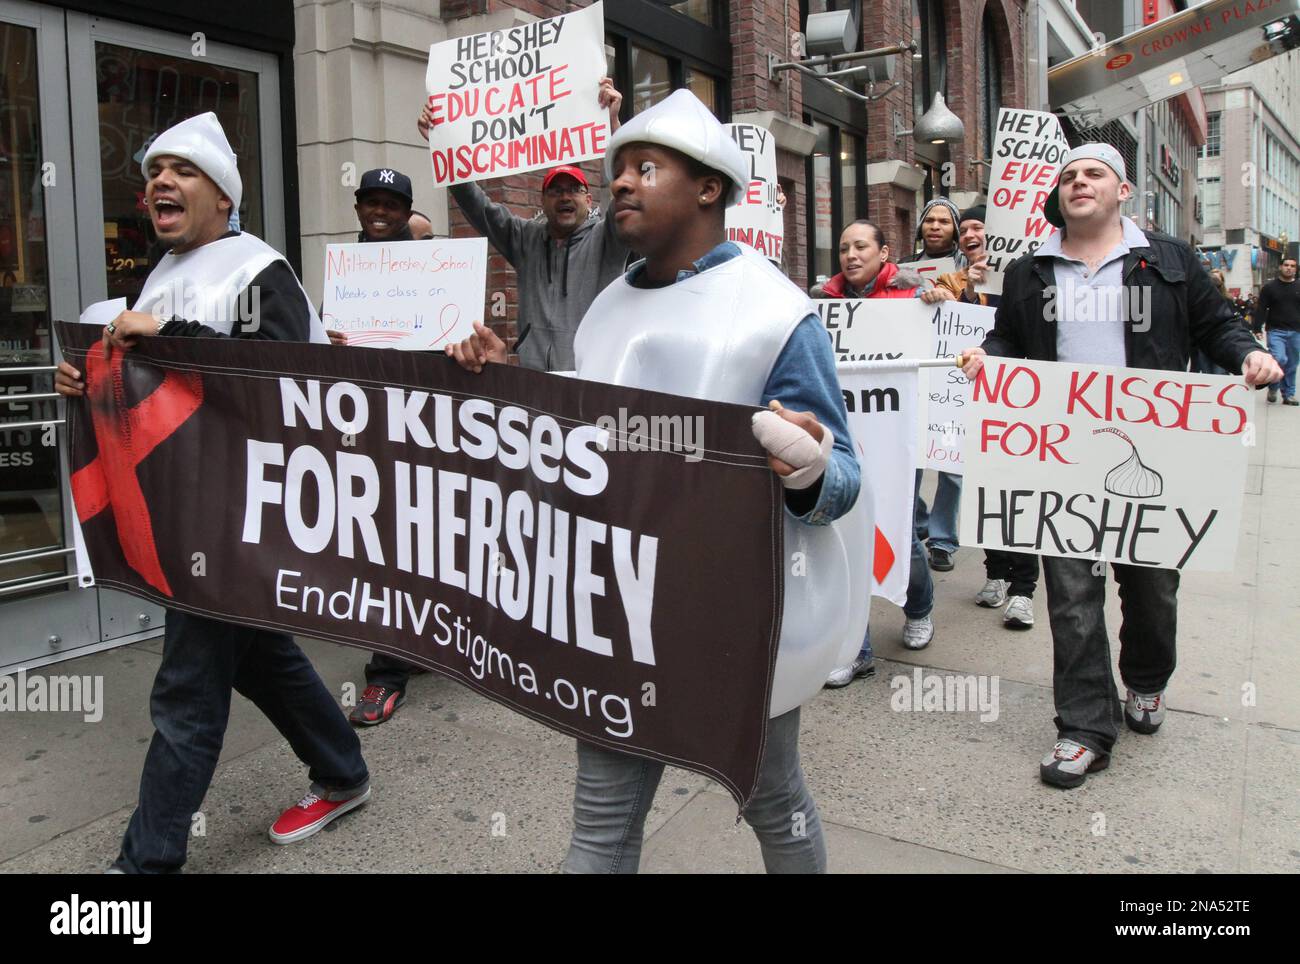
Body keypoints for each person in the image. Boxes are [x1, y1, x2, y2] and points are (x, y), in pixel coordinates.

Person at [446, 89, 860, 873]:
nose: (621, 185)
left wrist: (808, 467)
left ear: (709, 187)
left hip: (738, 619)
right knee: (599, 829)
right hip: (620, 613)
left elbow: (843, 480)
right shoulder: (608, 307)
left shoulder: (777, 313)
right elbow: (582, 429)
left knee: (773, 800)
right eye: (618, 172)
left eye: (644, 167)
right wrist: (509, 383)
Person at [53, 113, 371, 870]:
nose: (162, 181)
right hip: (190, 513)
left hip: (238, 517)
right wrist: (86, 378)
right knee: (260, 656)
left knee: (187, 693)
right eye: (155, 170)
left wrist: (164, 334)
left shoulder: (257, 269)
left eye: (183, 170)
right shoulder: (163, 272)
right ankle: (344, 771)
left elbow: (287, 375)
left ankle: (142, 869)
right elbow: (149, 373)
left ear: (224, 197)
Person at [959, 143, 1280, 789]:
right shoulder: (1030, 272)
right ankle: (1083, 728)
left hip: (1154, 454)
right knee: (1072, 598)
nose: (1079, 183)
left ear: (1123, 190)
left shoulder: (1169, 261)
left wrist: (1248, 354)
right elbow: (1009, 339)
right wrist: (983, 355)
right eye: (1069, 176)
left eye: (1093, 174)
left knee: (1152, 587)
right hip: (1061, 458)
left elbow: (1216, 325)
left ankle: (1146, 682)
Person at [418, 78, 628, 371]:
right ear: (542, 201)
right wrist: (444, 147)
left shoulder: (608, 238)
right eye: (555, 191)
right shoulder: (525, 238)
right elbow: (478, 207)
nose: (564, 197)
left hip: (593, 378)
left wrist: (615, 127)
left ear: (589, 198)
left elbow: (626, 189)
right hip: (535, 382)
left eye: (573, 190)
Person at [327, 167, 431, 725]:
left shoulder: (434, 267)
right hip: (362, 426)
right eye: (371, 201)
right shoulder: (343, 272)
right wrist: (328, 338)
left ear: (408, 209)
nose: (380, 211)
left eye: (392, 202)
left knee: (418, 540)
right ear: (359, 208)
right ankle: (387, 671)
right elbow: (319, 348)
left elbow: (455, 341)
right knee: (379, 546)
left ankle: (406, 655)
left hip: (421, 424)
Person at [817, 220, 933, 688]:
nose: (850, 254)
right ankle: (856, 648)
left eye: (860, 245)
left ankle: (920, 605)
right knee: (846, 535)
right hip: (844, 431)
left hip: (895, 432)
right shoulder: (822, 304)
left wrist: (938, 305)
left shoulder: (914, 298)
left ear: (884, 253)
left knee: (899, 533)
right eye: (844, 247)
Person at [920, 205, 1037, 629]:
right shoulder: (954, 277)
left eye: (979, 227)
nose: (971, 234)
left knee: (1016, 493)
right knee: (984, 490)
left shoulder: (1025, 277)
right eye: (965, 228)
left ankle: (1024, 589)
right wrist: (950, 295)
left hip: (1017, 399)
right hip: (968, 397)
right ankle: (996, 575)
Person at [901, 198, 963, 572]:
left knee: (952, 466)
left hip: (955, 379)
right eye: (930, 221)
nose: (936, 226)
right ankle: (918, 523)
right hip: (920, 372)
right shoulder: (905, 270)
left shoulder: (972, 269)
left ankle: (941, 540)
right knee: (913, 460)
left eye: (944, 221)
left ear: (954, 228)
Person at [1253, 256, 1300, 404]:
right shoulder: (1270, 287)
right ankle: (1273, 386)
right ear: (1280, 267)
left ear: (1296, 269)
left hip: (1296, 331)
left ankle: (1288, 395)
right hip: (1275, 331)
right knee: (1279, 359)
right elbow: (1261, 308)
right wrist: (1257, 328)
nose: (1289, 268)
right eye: (1286, 265)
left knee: (1292, 364)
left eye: (1292, 266)